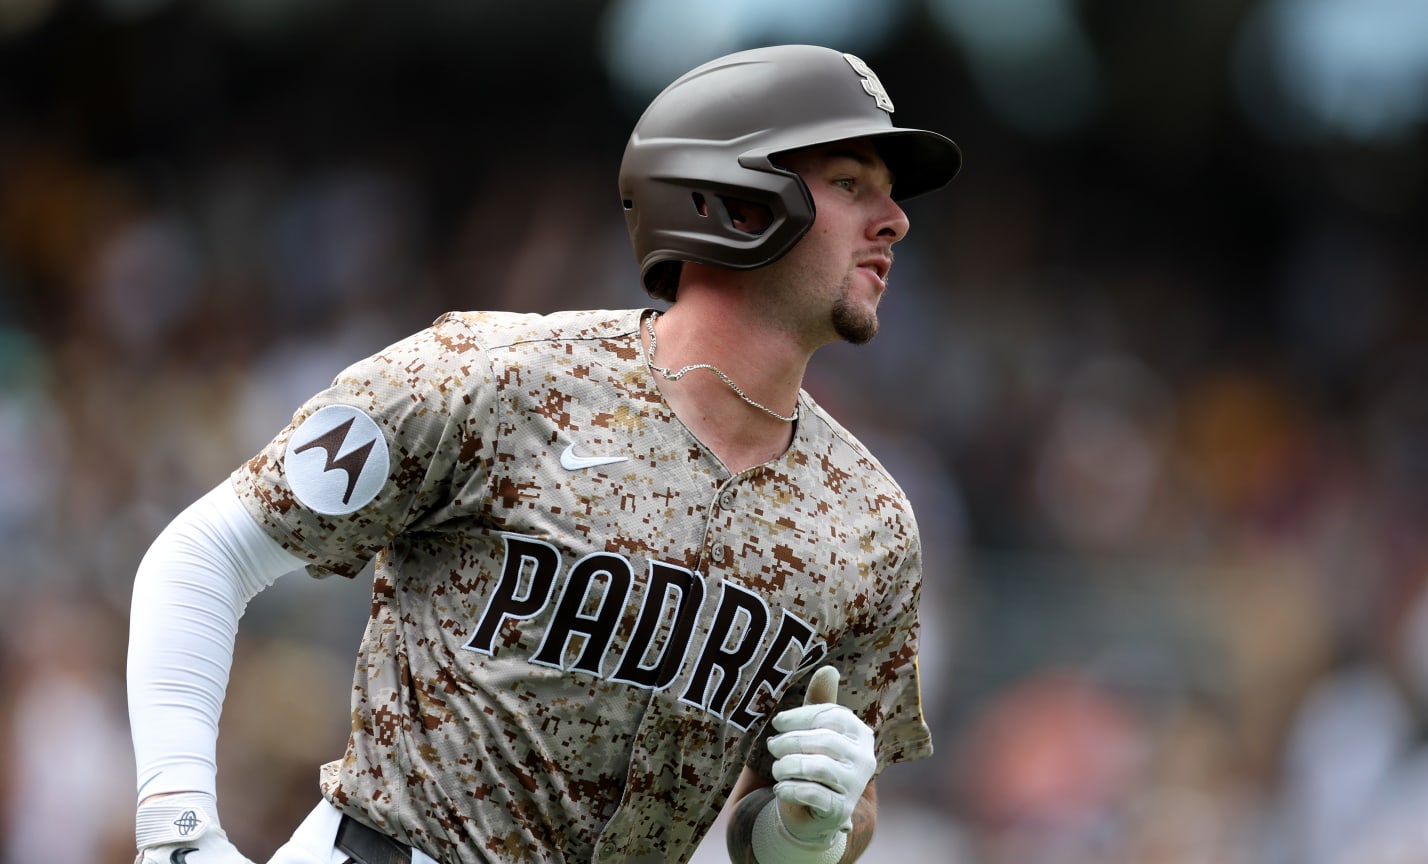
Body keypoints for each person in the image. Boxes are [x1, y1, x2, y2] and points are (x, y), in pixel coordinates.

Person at [127, 43, 961, 864]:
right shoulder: (495, 378)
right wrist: (177, 829)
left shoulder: (867, 519)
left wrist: (810, 832)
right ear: (736, 200)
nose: (895, 219)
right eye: (850, 184)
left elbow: (792, 823)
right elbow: (206, 554)